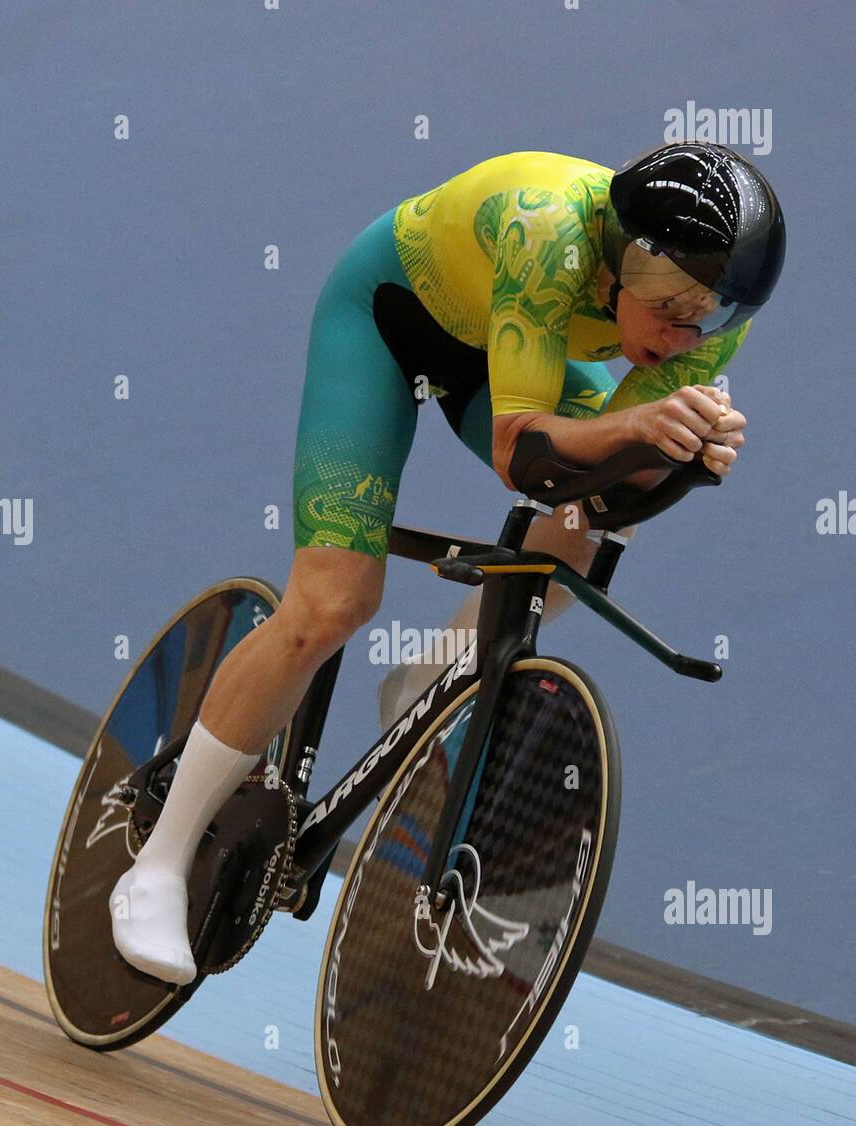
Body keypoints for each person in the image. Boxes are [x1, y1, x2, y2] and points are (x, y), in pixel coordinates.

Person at [109, 142, 785, 984]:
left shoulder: (710, 322)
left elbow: (609, 491)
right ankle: (161, 862)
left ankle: (431, 682)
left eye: (714, 318)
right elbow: (521, 454)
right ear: (624, 264)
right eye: (677, 310)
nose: (694, 335)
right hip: (386, 322)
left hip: (495, 351)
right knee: (332, 605)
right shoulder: (550, 235)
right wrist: (636, 431)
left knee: (589, 520)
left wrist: (684, 459)